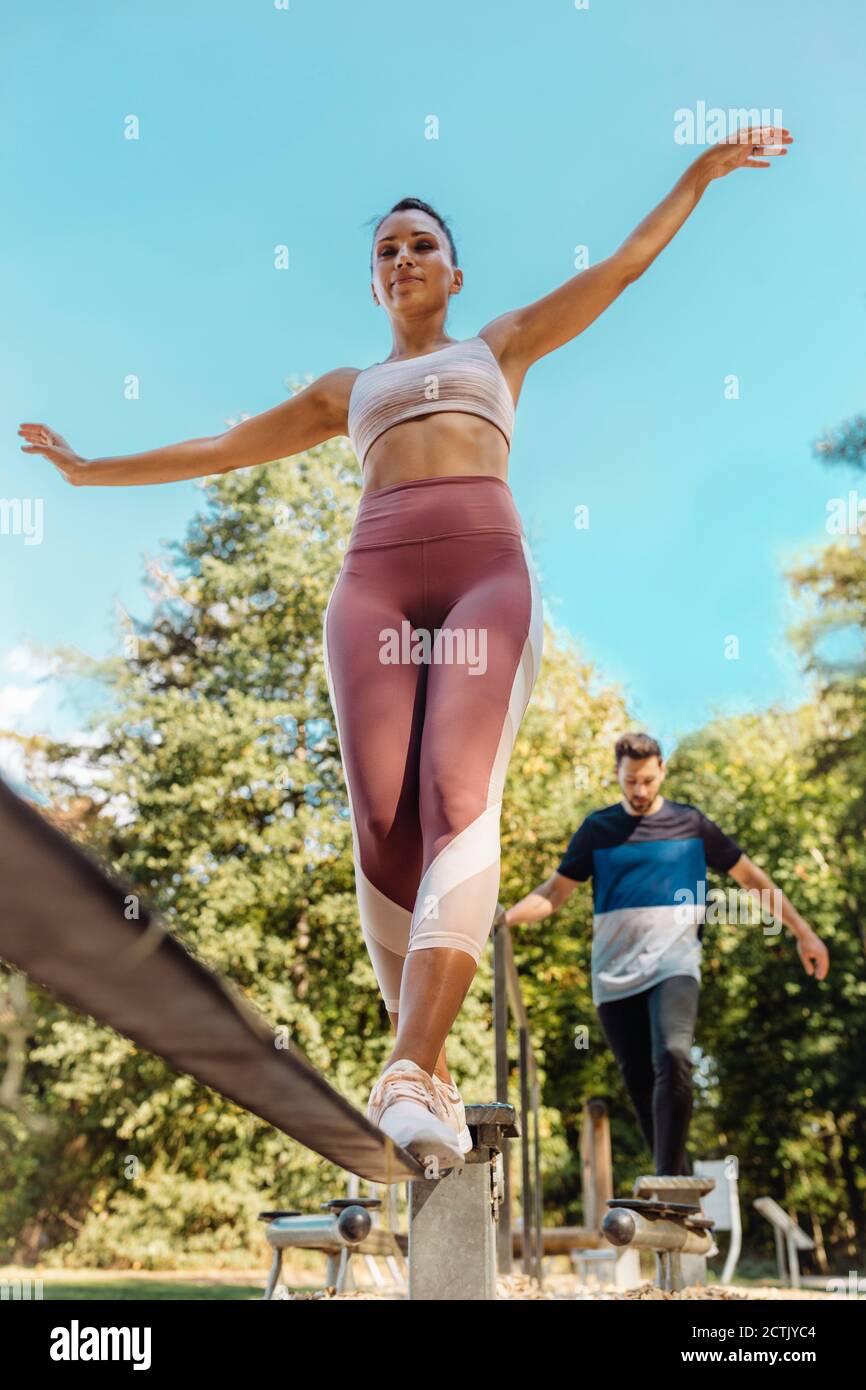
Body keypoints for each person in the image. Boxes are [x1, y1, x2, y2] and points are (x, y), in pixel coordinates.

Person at [19, 125, 794, 1172]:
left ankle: (404, 1062)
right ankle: (418, 1069)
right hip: (372, 582)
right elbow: (220, 445)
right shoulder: (345, 391)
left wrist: (696, 174)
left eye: (419, 244)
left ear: (454, 271)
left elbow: (618, 268)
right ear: (372, 283)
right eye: (384, 251)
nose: (401, 260)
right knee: (382, 821)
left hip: (483, 573)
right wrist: (89, 468)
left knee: (452, 793)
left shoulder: (499, 345)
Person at [503, 732, 830, 1175]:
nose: (639, 792)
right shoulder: (598, 830)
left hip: (674, 966)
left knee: (673, 1055)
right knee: (640, 1082)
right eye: (630, 781)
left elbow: (752, 878)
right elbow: (553, 895)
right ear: (617, 775)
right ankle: (676, 1178)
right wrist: (503, 919)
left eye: (648, 781)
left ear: (662, 773)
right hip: (614, 977)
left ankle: (670, 1182)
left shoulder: (692, 825)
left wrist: (803, 931)